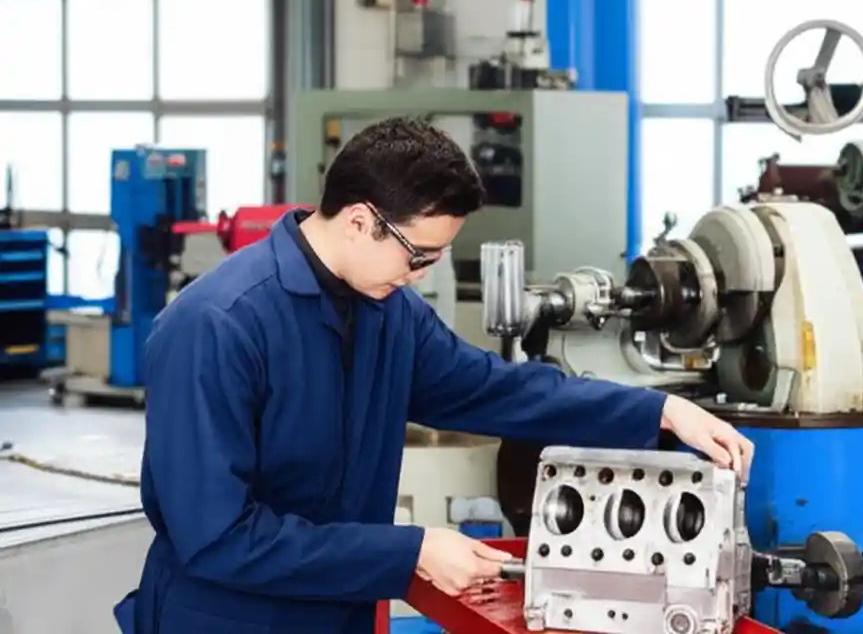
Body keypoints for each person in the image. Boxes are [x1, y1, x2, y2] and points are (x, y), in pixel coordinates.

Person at [113, 117, 755, 634]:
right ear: (361, 219)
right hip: (228, 618)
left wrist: (659, 413)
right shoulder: (216, 327)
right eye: (418, 255)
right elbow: (218, 538)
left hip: (340, 609)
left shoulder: (388, 311)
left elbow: (494, 390)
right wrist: (409, 552)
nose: (422, 275)